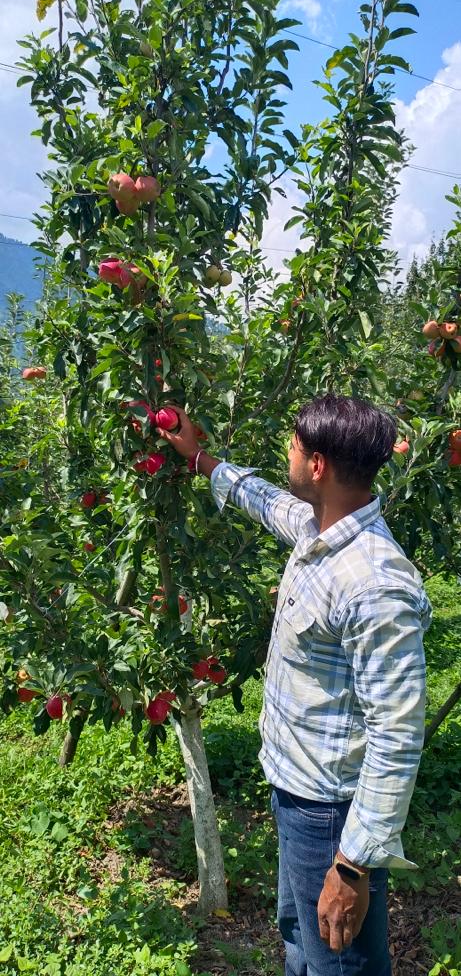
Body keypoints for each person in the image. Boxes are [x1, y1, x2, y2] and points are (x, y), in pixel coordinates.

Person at [156, 393, 431, 976]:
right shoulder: (319, 528)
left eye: (294, 445)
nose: (288, 452)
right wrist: (198, 458)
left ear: (317, 464)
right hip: (295, 791)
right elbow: (264, 500)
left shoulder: (374, 583)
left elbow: (398, 736)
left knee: (340, 961)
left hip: (332, 817)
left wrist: (352, 866)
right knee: (301, 943)